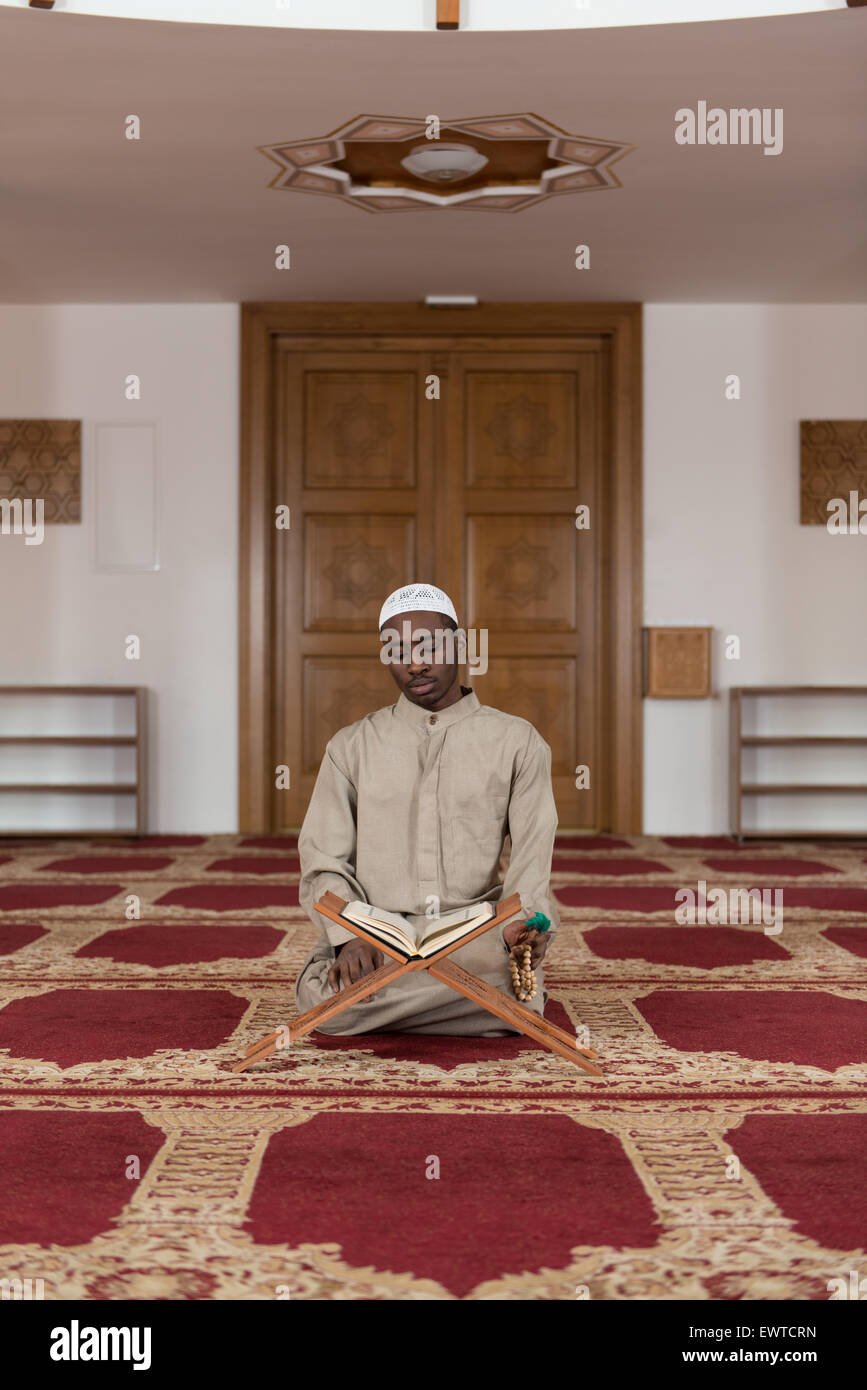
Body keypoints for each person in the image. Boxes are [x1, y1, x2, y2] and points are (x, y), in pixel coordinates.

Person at [295, 582, 559, 1036]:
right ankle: (478, 1006)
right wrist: (352, 937)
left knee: (512, 979)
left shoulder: (517, 741)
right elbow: (323, 861)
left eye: (426, 646)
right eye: (396, 651)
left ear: (458, 645)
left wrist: (518, 926)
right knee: (325, 998)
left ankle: (400, 1000)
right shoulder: (351, 746)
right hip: (377, 929)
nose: (413, 663)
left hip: (472, 930)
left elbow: (533, 855)